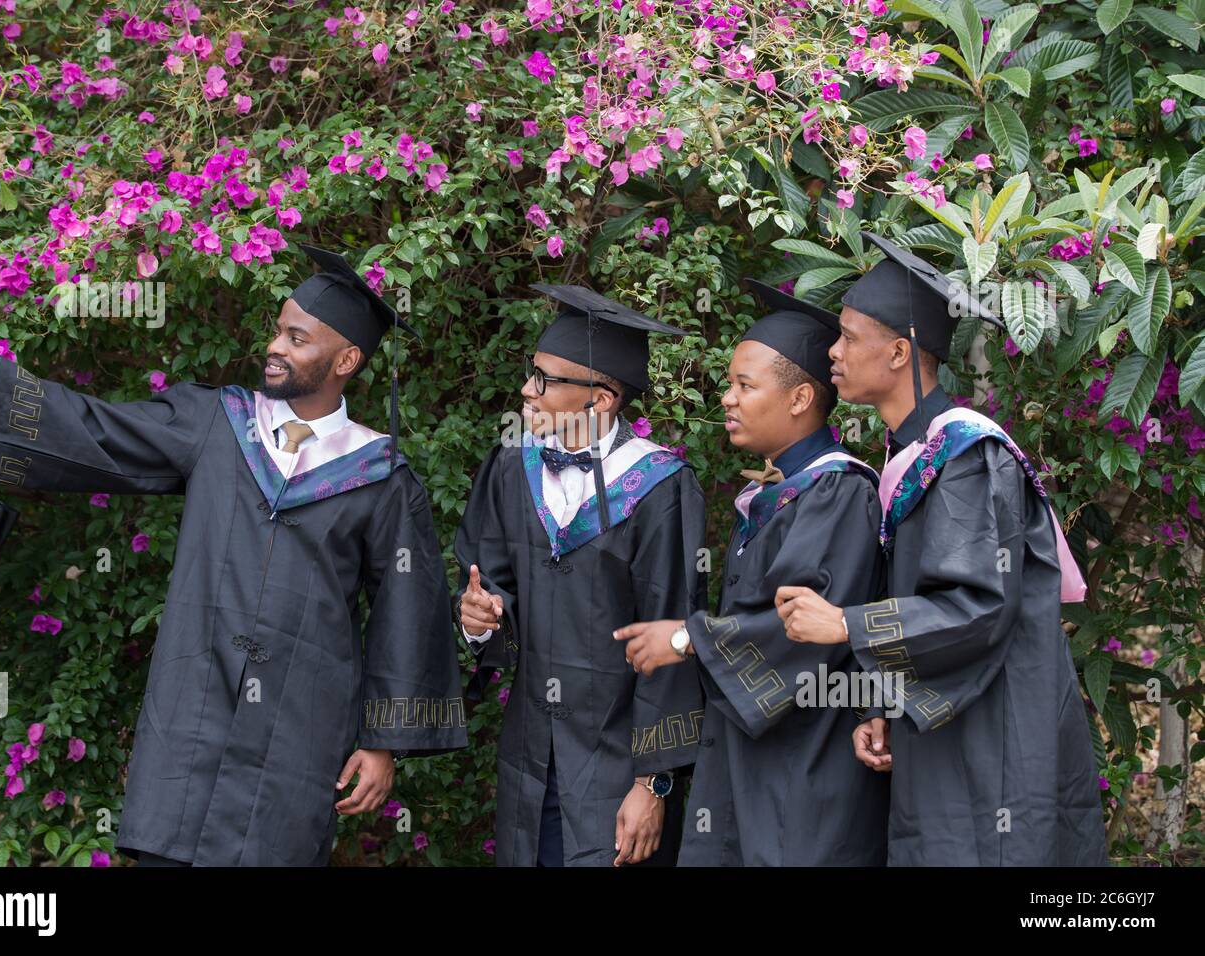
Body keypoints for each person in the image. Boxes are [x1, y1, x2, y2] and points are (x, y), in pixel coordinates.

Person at [0, 242, 467, 866]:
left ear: (346, 359)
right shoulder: (218, 422)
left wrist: (383, 744)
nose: (276, 346)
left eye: (298, 339)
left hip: (298, 728)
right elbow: (102, 430)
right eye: (278, 330)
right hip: (193, 710)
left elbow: (408, 612)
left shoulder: (380, 475)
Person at [774, 231, 1106, 866]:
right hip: (946, 731)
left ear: (899, 352)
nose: (832, 353)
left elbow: (975, 608)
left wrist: (844, 624)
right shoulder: (913, 458)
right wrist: (883, 702)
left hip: (994, 737)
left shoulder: (965, 458)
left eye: (847, 337)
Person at [615, 281, 889, 865]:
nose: (727, 399)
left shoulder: (838, 492)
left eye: (745, 385)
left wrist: (688, 638)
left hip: (806, 773)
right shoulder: (777, 492)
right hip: (749, 763)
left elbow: (801, 629)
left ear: (798, 399)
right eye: (729, 384)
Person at [454, 283, 705, 867]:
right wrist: (479, 623)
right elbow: (491, 591)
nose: (526, 391)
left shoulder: (660, 489)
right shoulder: (513, 468)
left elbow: (675, 636)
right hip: (529, 760)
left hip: (617, 767)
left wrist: (655, 782)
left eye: (544, 380)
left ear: (600, 401)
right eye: (530, 372)